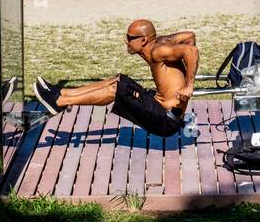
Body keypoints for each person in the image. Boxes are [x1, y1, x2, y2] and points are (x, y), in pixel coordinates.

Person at [32, 20, 198, 138]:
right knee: (119, 80)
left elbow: (191, 51)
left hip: (164, 120)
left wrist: (188, 85)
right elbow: (190, 36)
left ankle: (60, 101)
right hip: (157, 106)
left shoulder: (158, 51)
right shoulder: (162, 42)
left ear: (144, 40)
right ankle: (61, 93)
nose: (126, 41)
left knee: (117, 90)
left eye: (129, 38)